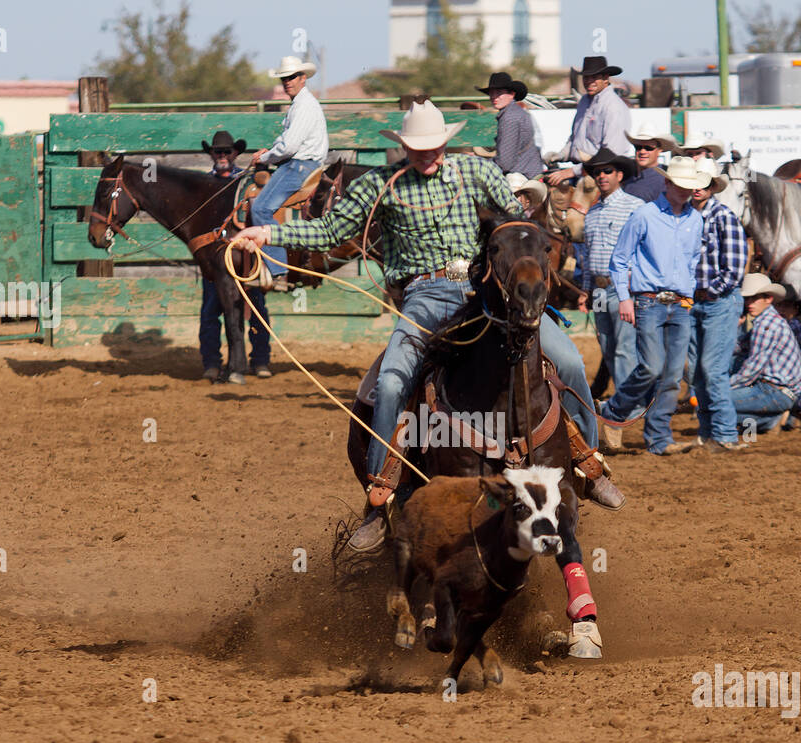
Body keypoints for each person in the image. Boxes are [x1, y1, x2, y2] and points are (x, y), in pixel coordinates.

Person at [231, 102, 624, 551]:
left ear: (445, 143)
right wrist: (268, 235)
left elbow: (514, 220)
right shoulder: (382, 186)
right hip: (425, 297)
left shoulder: (474, 173)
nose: (427, 156)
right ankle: (380, 499)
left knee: (570, 360)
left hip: (485, 293)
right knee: (394, 381)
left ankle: (587, 467)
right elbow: (329, 231)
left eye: (434, 147)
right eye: (418, 149)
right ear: (403, 148)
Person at [598, 155, 707, 454]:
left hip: (680, 303)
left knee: (672, 376)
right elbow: (620, 260)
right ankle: (615, 411)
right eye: (681, 185)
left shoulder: (695, 220)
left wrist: (691, 292)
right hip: (648, 301)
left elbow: (693, 260)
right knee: (651, 366)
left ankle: (659, 439)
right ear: (668, 183)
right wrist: (624, 298)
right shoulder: (644, 215)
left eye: (690, 186)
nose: (686, 191)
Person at [247, 55, 329, 294]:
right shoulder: (301, 105)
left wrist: (263, 158)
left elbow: (290, 146)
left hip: (300, 165)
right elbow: (286, 142)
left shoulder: (303, 106)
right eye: (285, 78)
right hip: (301, 162)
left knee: (260, 208)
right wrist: (270, 151)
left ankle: (278, 271)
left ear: (303, 78)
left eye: (292, 77)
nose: (287, 82)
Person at [686, 155, 748, 451]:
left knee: (712, 369)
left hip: (717, 302)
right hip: (694, 302)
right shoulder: (684, 217)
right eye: (694, 182)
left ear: (712, 187)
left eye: (704, 183)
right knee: (697, 372)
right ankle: (709, 430)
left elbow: (735, 268)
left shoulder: (724, 216)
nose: (698, 188)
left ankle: (724, 433)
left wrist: (710, 291)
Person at [196, 131, 268, 383]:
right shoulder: (204, 185)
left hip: (246, 257)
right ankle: (212, 362)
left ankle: (260, 360)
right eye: (218, 152)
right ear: (212, 154)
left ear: (235, 153)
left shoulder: (246, 183)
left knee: (256, 307)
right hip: (215, 260)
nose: (223, 155)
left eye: (227, 151)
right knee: (210, 311)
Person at [575, 148, 643, 399]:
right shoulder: (591, 213)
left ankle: (627, 404)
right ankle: (626, 400)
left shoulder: (635, 207)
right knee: (608, 346)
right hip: (600, 290)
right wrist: (585, 290)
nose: (601, 175)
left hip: (623, 288)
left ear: (619, 175)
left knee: (625, 348)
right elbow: (588, 254)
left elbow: (645, 249)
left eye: (607, 171)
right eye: (597, 172)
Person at [728, 274, 801, 435]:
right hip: (779, 391)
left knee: (714, 402)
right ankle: (769, 420)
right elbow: (737, 348)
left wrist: (723, 387)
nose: (749, 304)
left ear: (768, 299)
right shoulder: (767, 321)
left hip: (774, 391)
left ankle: (768, 420)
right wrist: (735, 327)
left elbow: (751, 370)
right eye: (747, 299)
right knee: (716, 403)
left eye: (754, 299)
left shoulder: (767, 325)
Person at [545, 56, 632, 187]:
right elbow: (576, 137)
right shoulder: (584, 102)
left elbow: (612, 153)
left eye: (594, 77)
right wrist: (561, 155)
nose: (589, 81)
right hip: (583, 172)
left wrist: (571, 172)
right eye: (586, 77)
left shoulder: (613, 107)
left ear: (605, 78)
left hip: (602, 175)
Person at [479, 71, 544, 179]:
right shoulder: (516, 112)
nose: (494, 97)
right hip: (530, 171)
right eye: (491, 92)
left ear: (512, 94)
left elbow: (504, 163)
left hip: (521, 177)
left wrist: (478, 164)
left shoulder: (509, 117)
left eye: (499, 92)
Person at [621, 124, 677, 202]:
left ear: (659, 151)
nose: (642, 152)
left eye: (648, 148)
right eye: (638, 147)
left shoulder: (666, 180)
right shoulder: (626, 176)